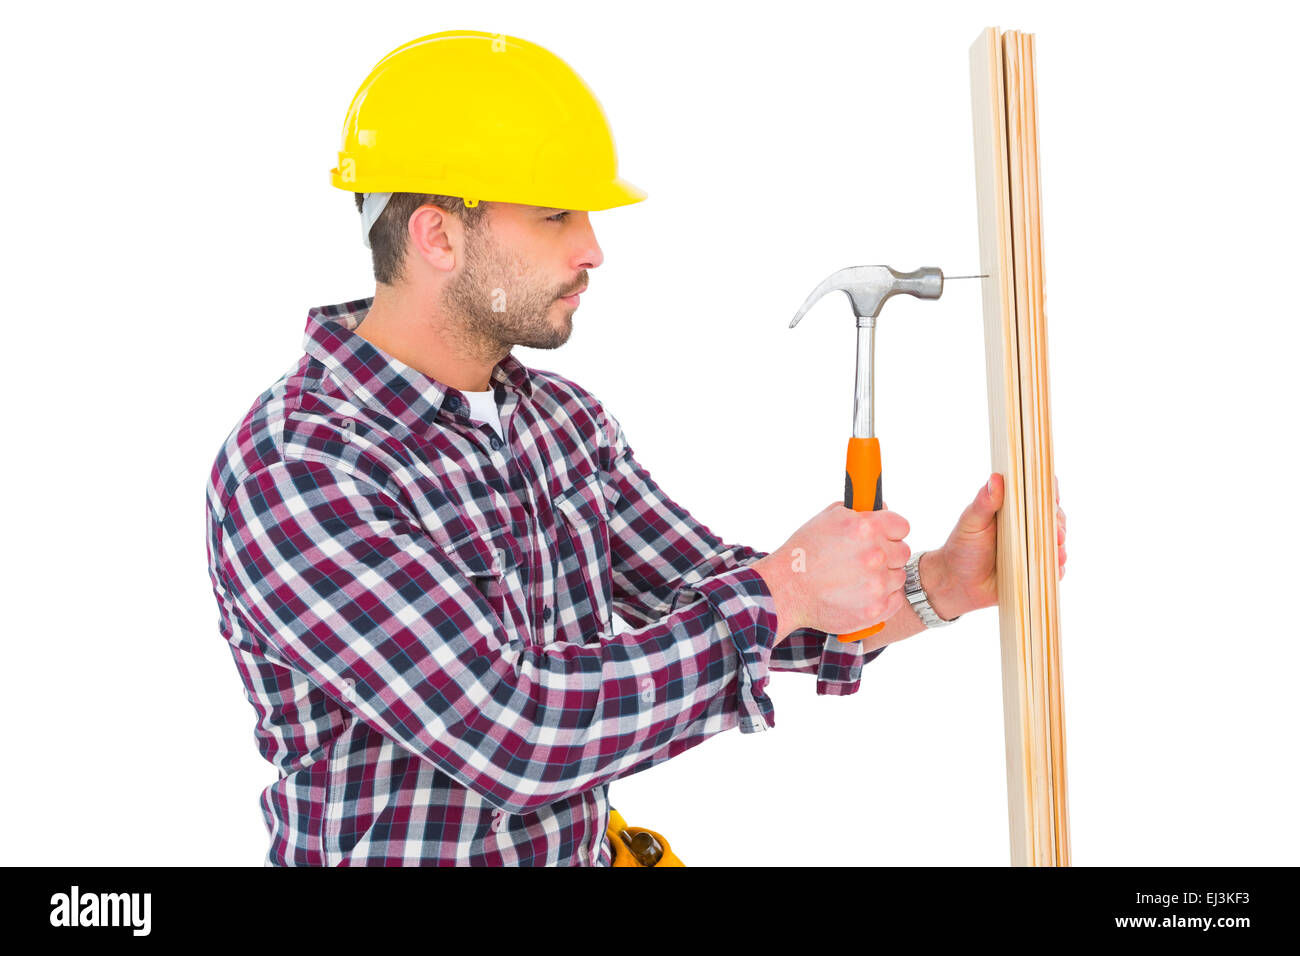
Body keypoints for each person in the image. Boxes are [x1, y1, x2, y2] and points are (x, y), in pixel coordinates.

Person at [204, 30, 1067, 867]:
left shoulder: (560, 423)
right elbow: (514, 733)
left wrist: (937, 587)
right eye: (555, 215)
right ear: (437, 236)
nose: (593, 248)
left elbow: (727, 597)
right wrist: (786, 587)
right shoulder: (300, 468)